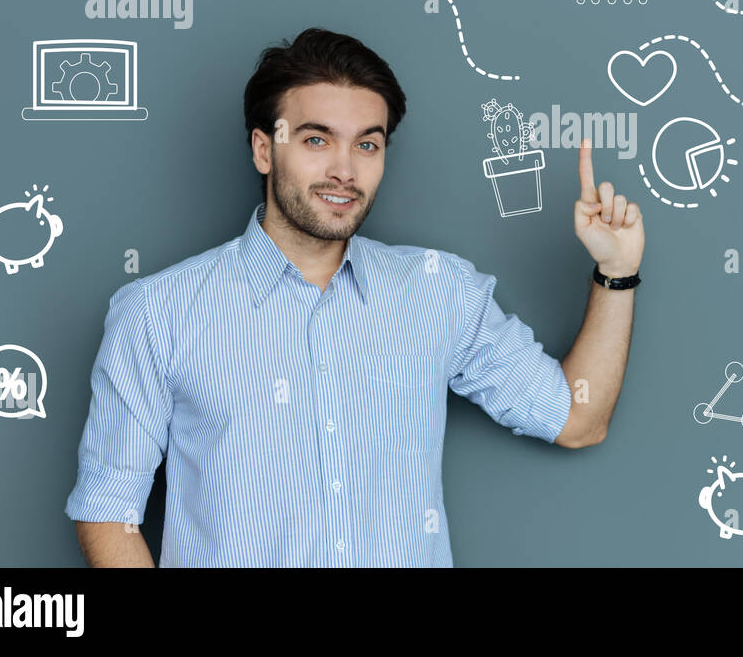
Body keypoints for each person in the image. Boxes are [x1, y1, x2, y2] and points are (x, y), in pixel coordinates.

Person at [64, 28, 644, 566]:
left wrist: (615, 273)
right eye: (317, 140)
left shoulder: (437, 293)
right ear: (265, 150)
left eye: (368, 145)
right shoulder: (158, 313)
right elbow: (108, 510)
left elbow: (577, 418)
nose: (344, 170)